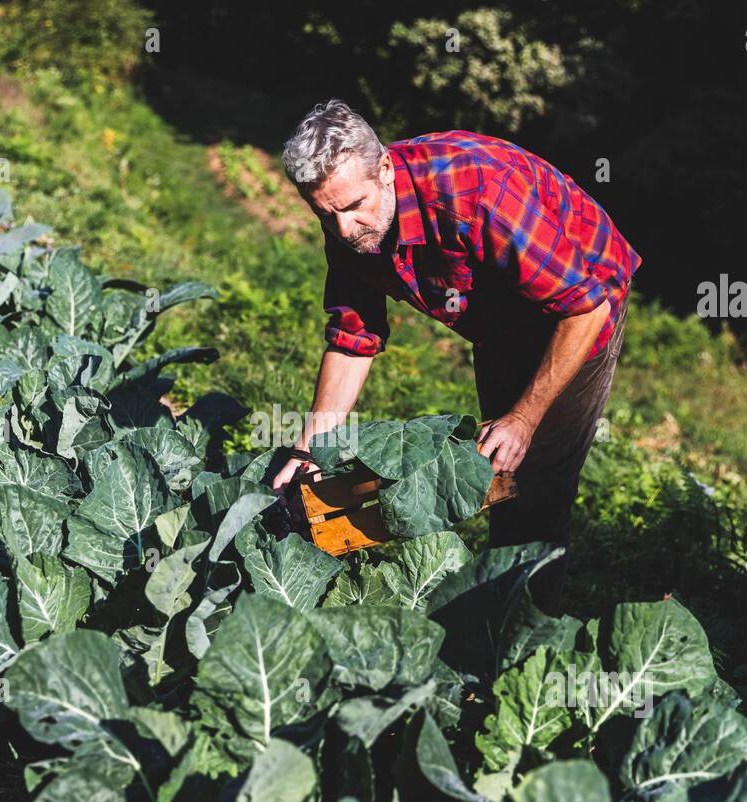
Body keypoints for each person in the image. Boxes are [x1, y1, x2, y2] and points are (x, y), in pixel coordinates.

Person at [270, 99, 641, 616]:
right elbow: (354, 337)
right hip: (501, 320)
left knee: (535, 481)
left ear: (383, 168)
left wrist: (524, 417)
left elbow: (582, 309)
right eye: (325, 215)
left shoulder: (475, 192)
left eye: (355, 206)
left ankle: (524, 636)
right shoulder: (347, 223)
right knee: (497, 468)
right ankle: (498, 601)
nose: (345, 229)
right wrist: (309, 450)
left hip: (580, 299)